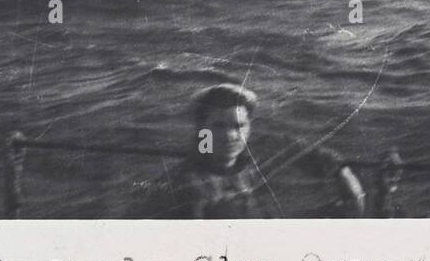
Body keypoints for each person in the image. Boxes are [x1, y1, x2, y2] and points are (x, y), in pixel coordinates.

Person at [149, 83, 366, 219]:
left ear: (250, 126)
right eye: (219, 126)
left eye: (239, 126)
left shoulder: (261, 151)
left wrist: (343, 173)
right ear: (201, 129)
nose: (232, 136)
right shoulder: (185, 184)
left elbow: (308, 152)